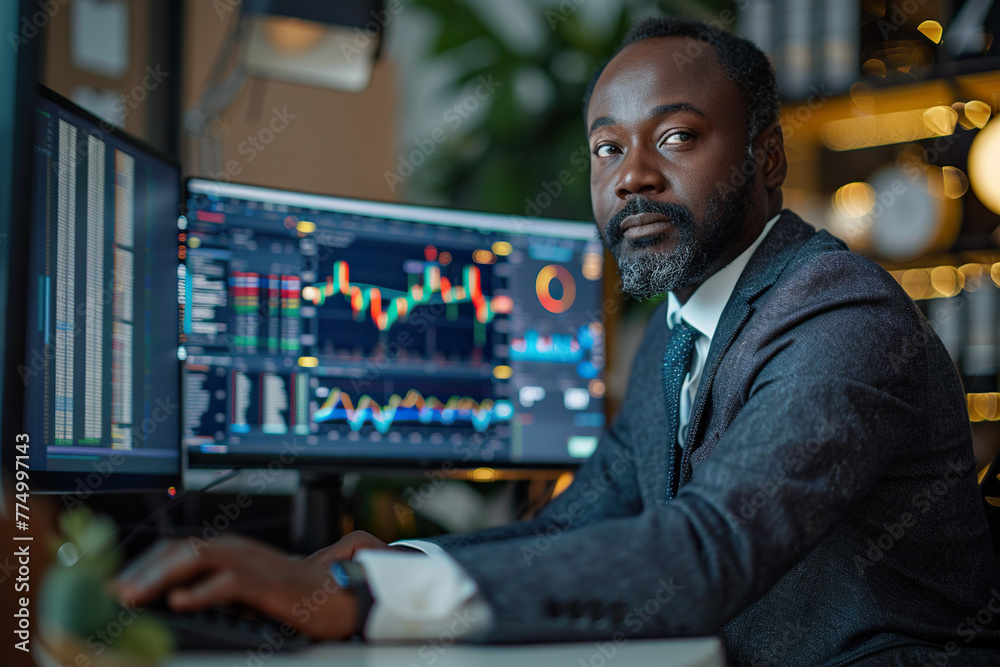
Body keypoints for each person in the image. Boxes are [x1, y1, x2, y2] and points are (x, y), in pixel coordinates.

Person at [115, 16, 1000, 665]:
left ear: (767, 157)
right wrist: (407, 558)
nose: (633, 178)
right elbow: (593, 509)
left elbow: (710, 545)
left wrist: (369, 600)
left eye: (676, 136)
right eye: (606, 149)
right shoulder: (682, 325)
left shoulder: (839, 315)